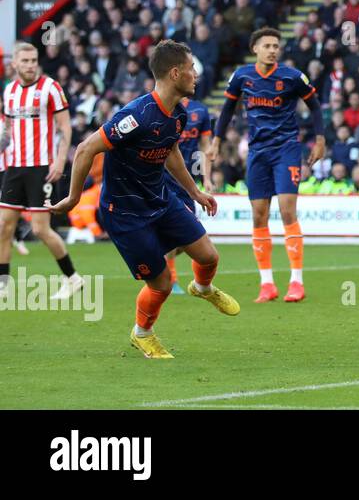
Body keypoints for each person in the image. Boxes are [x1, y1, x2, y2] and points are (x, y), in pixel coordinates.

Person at [47, 41, 239, 358]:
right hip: (125, 213)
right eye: (191, 69)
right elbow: (84, 149)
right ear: (175, 73)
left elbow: (171, 152)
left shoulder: (178, 114)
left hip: (160, 199)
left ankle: (202, 288)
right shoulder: (136, 116)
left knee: (208, 256)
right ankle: (143, 333)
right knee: (161, 283)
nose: (195, 75)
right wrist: (72, 198)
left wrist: (195, 192)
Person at [210, 28, 326, 303]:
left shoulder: (292, 76)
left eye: (276, 46)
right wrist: (216, 141)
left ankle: (296, 282)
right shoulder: (242, 77)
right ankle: (267, 284)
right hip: (257, 153)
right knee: (259, 215)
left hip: (287, 149)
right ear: (255, 49)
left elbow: (315, 107)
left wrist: (320, 140)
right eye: (267, 46)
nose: (273, 50)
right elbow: (227, 110)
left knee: (287, 210)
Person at [0, 43, 81, 301]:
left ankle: (72, 278)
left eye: (33, 60)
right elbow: (8, 129)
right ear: (15, 63)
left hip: (41, 168)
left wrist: (60, 161)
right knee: (3, 226)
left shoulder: (50, 88)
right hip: (14, 167)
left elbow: (65, 127)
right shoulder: (9, 91)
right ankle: (2, 284)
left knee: (40, 229)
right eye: (24, 61)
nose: (30, 65)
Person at [162, 95, 212, 294]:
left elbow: (205, 146)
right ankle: (171, 280)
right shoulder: (163, 106)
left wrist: (206, 177)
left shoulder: (200, 111)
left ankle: (160, 257)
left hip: (187, 181)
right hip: (163, 178)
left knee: (188, 236)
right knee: (175, 229)